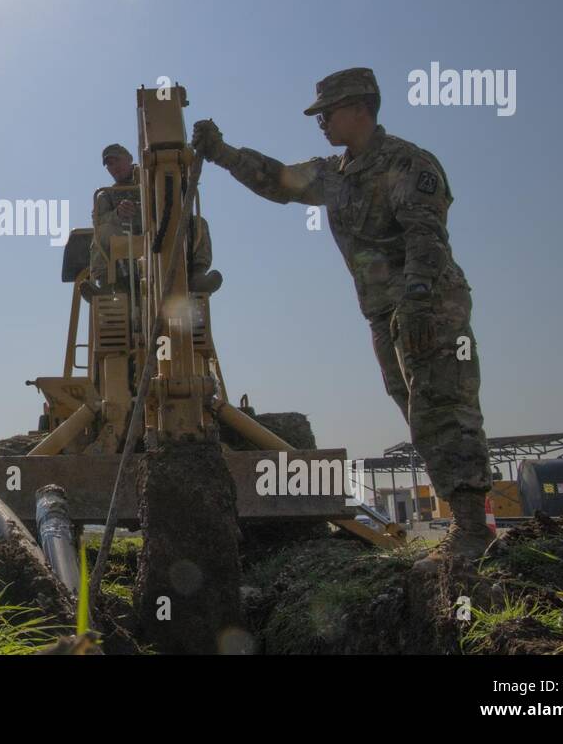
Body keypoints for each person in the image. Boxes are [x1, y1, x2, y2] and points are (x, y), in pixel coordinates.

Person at [191, 68, 492, 567]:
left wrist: (417, 299)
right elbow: (279, 180)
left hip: (429, 305)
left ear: (361, 108)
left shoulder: (407, 163)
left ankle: (474, 532)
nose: (321, 122)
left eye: (327, 112)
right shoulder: (337, 174)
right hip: (384, 312)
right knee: (416, 408)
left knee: (442, 404)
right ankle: (468, 528)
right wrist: (222, 153)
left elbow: (426, 235)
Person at [87, 143, 222, 297]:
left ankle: (197, 275)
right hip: (127, 242)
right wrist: (117, 213)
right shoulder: (107, 195)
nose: (114, 166)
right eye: (109, 164)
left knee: (199, 223)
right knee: (101, 231)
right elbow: (98, 221)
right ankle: (105, 286)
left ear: (129, 159)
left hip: (160, 233)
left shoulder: (154, 178)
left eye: (117, 160)